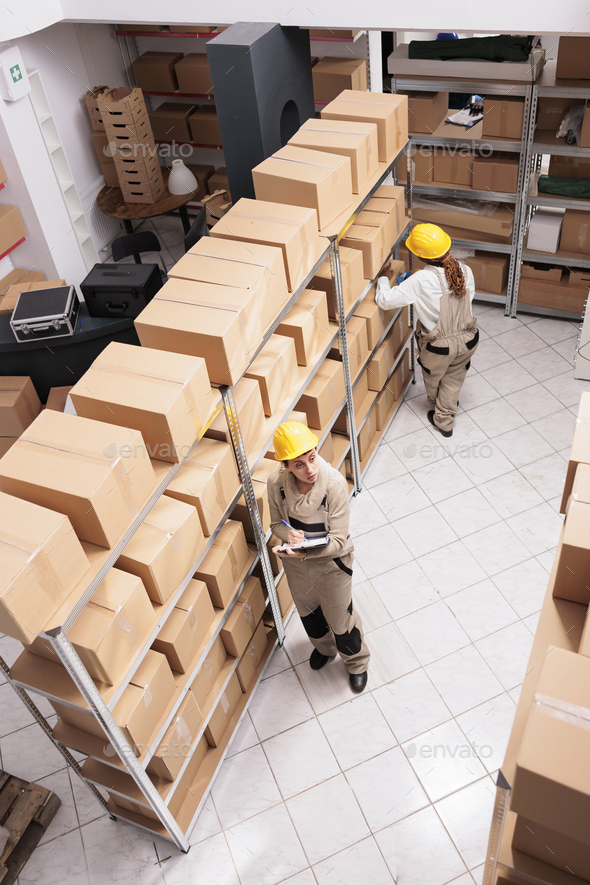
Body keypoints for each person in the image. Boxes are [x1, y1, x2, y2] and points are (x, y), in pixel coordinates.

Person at [267, 421, 369, 693]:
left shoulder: (334, 484)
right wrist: (290, 538)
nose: (310, 469)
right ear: (285, 466)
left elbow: (337, 540)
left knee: (339, 618)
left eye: (312, 458)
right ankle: (325, 649)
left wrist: (304, 548)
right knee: (310, 615)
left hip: (331, 564)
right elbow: (275, 524)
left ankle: (356, 662)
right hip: (296, 566)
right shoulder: (276, 485)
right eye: (299, 464)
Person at [375, 222, 478, 438]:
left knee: (433, 379)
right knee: (454, 378)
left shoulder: (420, 280)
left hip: (438, 347)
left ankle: (438, 409)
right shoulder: (465, 270)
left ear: (421, 256)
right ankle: (446, 418)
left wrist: (384, 278)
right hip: (468, 340)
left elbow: (385, 301)